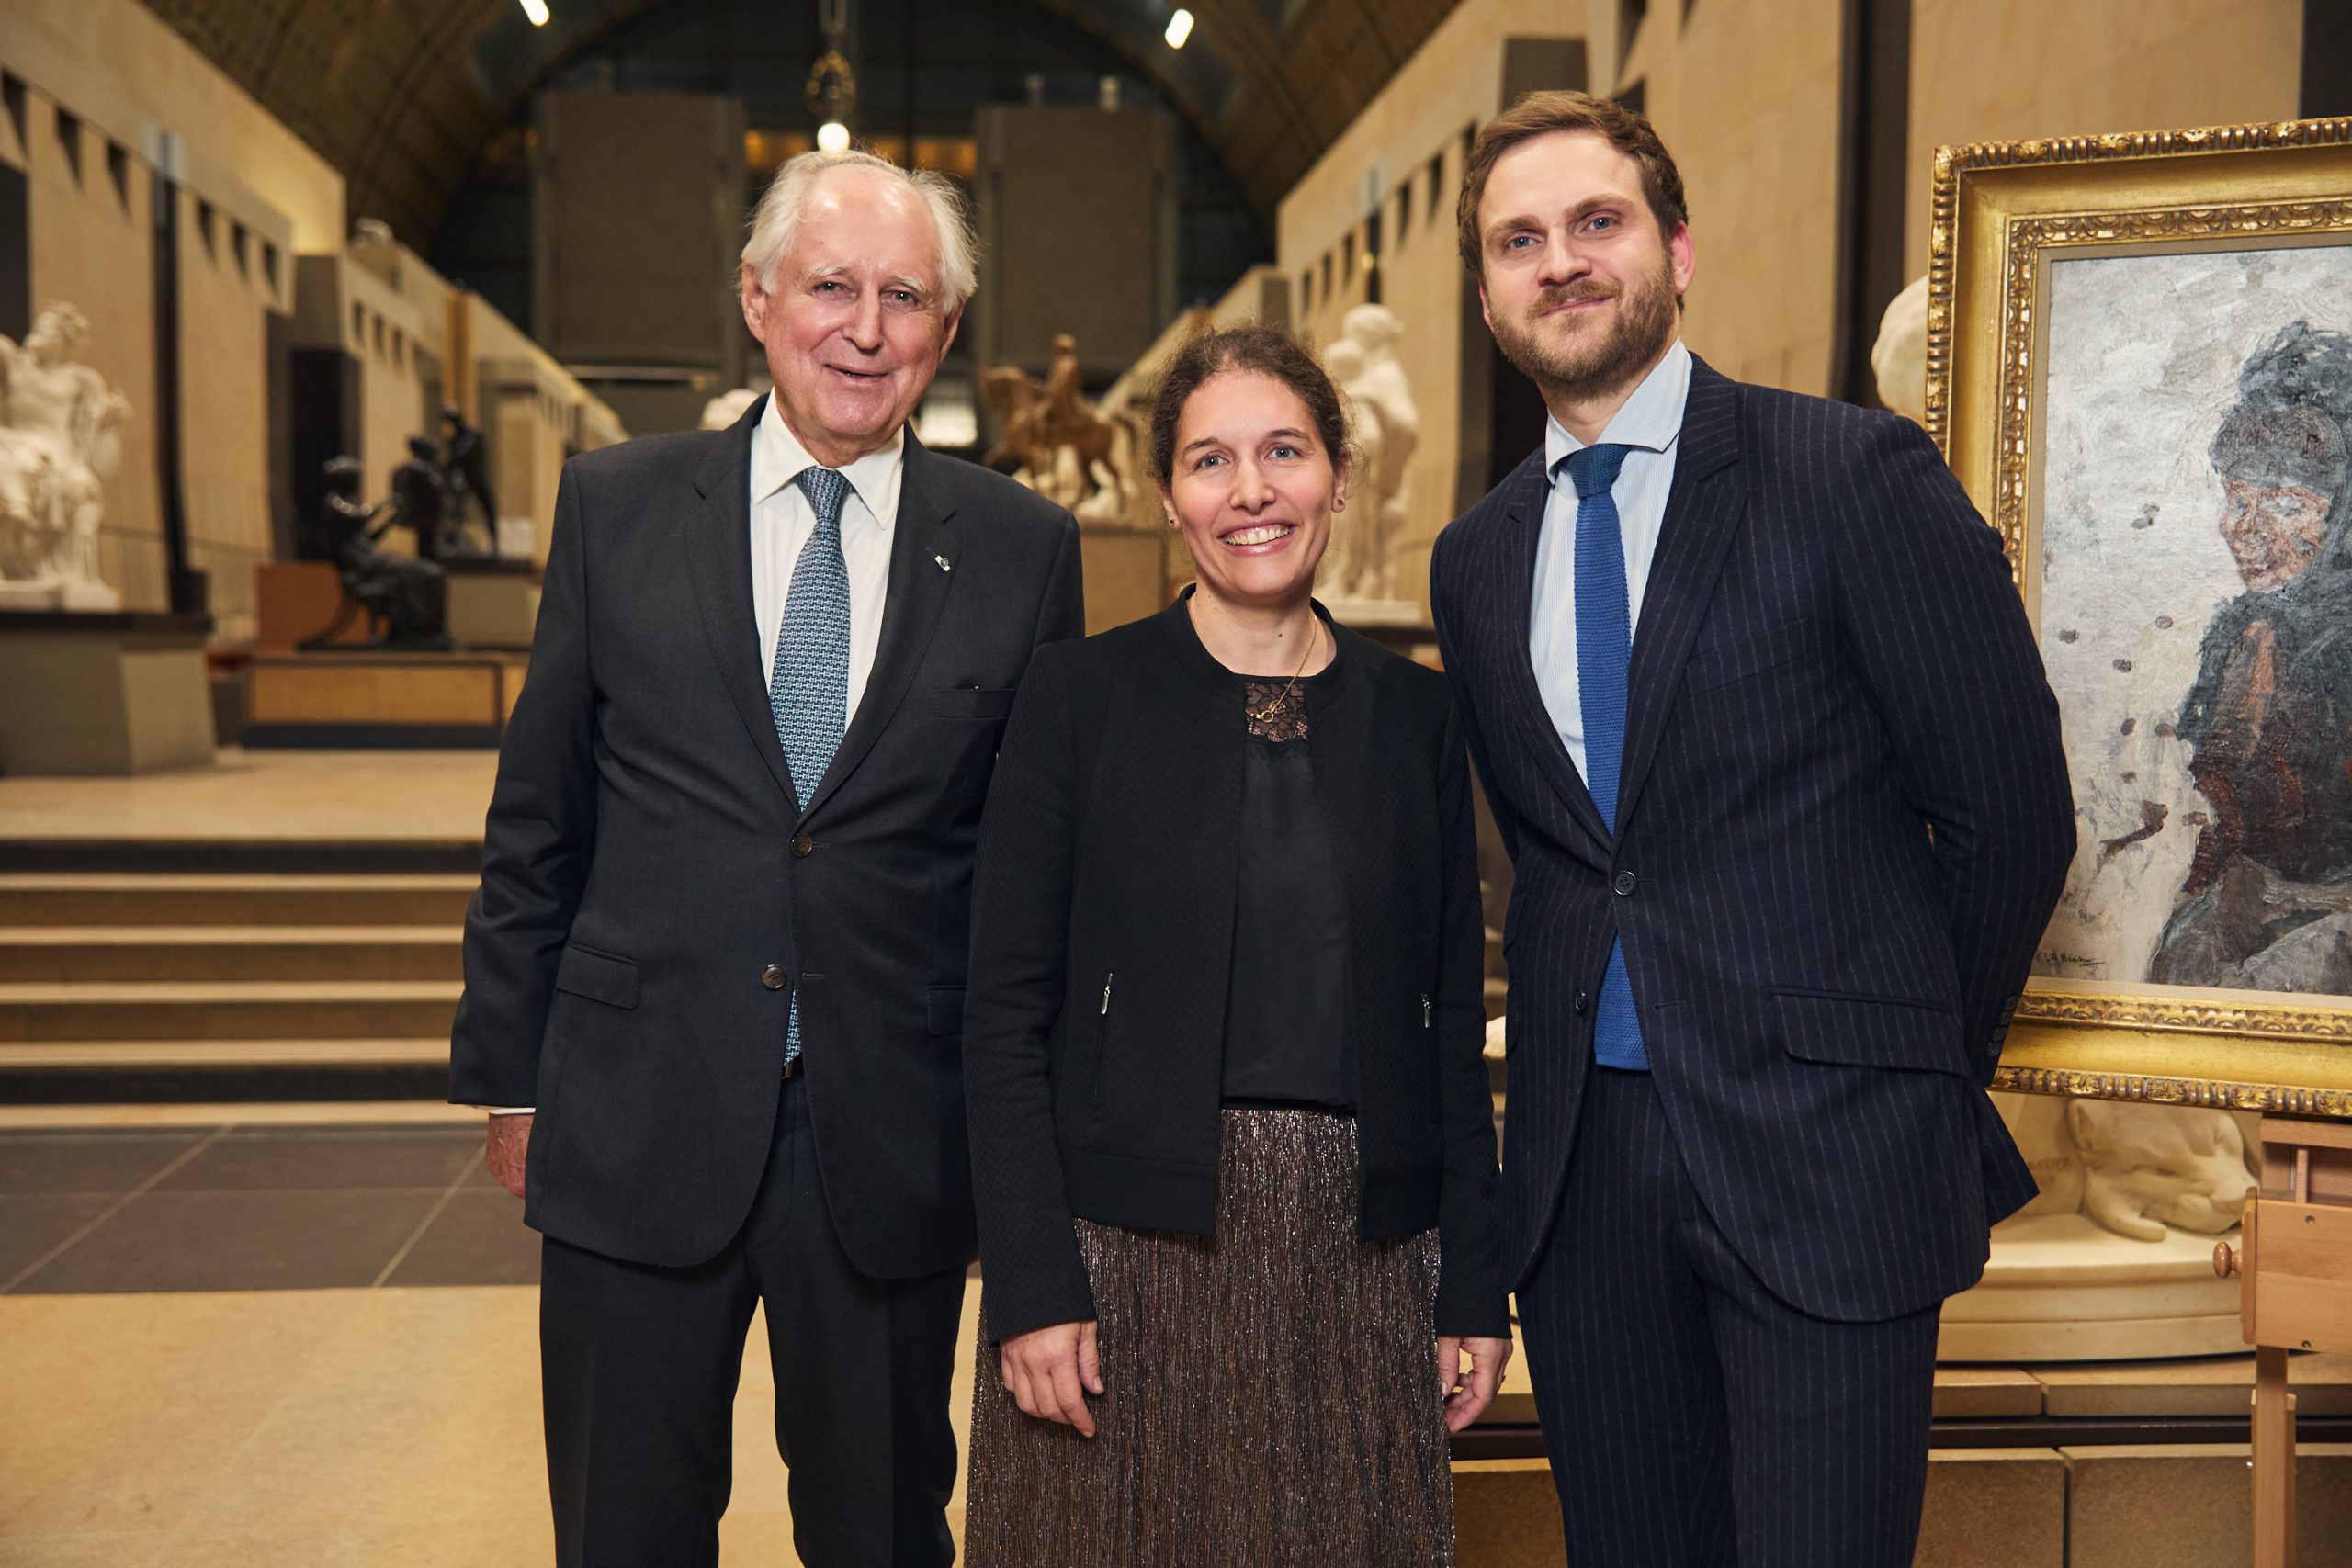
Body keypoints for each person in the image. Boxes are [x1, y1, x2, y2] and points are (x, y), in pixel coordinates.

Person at [1430, 92, 2075, 1566]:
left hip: (1829, 1162)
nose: (1560, 261)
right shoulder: (1474, 560)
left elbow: (2011, 817)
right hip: (1585, 1184)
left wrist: (1896, 1075)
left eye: (1597, 222)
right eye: (1520, 241)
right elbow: (1559, 859)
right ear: (1486, 296)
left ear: (1677, 250)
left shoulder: (1848, 476)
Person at [448, 147, 1082, 1567]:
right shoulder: (615, 506)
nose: (865, 327)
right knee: (624, 1529)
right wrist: (511, 1073)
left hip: (890, 1137)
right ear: (757, 298)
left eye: (904, 296)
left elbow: (1025, 877)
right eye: (831, 286)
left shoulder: (1022, 548)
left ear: (946, 328)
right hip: (634, 1110)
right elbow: (539, 815)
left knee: (882, 1532)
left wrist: (1026, 1143)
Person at [960, 325, 1510, 1567]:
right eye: (1211, 460)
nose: (1251, 489)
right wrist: (1030, 1283)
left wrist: (1474, 1282)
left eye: (1284, 452)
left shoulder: (1417, 715)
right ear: (1168, 497)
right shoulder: (1076, 701)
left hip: (1363, 1264)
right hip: (1119, 1261)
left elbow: (1446, 1028)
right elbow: (1000, 1020)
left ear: (1339, 477)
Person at [2151, 320, 2352, 993]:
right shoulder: (2245, 633)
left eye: (2287, 503)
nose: (2242, 528)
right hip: (2251, 896)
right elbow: (2219, 799)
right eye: (2237, 496)